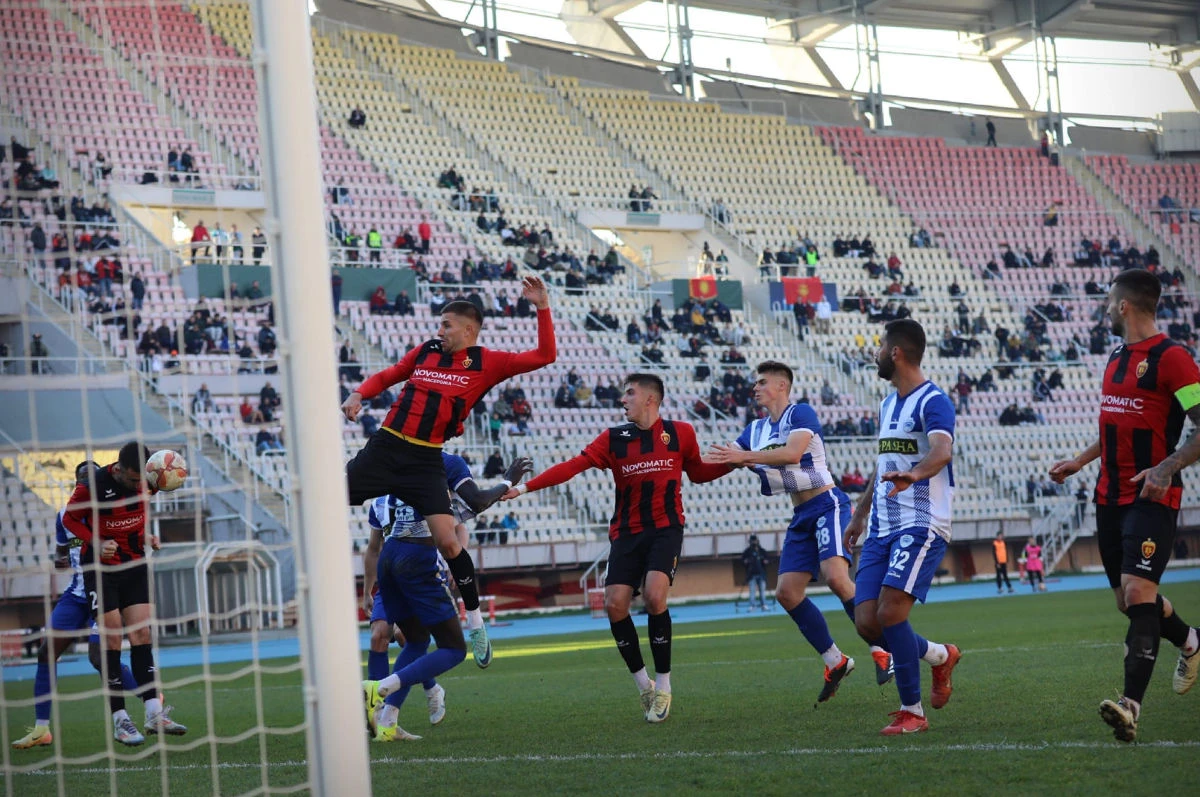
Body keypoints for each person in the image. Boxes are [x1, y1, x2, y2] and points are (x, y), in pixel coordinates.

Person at [342, 276, 555, 668]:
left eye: (446, 325)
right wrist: (359, 393)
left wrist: (542, 307)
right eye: (439, 325)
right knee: (332, 494)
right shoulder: (426, 352)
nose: (439, 331)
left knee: (450, 544)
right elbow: (390, 375)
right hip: (386, 447)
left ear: (469, 329)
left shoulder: (489, 362)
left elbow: (544, 356)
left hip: (426, 460)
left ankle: (474, 621)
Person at [501, 374, 731, 723]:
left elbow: (697, 472)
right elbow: (572, 467)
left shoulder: (681, 432)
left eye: (629, 393)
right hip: (626, 534)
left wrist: (736, 461)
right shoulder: (614, 439)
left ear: (650, 399)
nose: (623, 400)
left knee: (655, 597)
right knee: (614, 605)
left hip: (666, 529)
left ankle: (665, 687)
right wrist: (524, 489)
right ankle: (644, 686)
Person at [1048, 268, 1200, 742]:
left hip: (1151, 495)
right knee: (1129, 601)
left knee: (1138, 593)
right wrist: (1079, 459)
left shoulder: (1174, 358)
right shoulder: (1115, 356)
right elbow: (1114, 423)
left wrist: (1166, 469)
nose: (1105, 308)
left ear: (1124, 306)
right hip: (1107, 494)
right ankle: (1192, 641)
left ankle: (1131, 706)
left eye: (1109, 301)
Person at [709, 361, 890, 700]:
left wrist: (744, 457)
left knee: (835, 577)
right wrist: (680, 463)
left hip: (827, 504)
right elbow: (726, 459)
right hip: (801, 514)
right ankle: (835, 661)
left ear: (781, 386)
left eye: (762, 382)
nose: (755, 388)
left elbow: (792, 454)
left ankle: (883, 649)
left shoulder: (800, 414)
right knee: (787, 593)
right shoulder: (756, 429)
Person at [843, 319, 962, 736]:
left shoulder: (934, 400)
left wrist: (915, 475)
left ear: (895, 353)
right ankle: (938, 656)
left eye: (880, 346)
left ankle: (912, 712)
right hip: (880, 525)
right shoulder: (887, 404)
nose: (875, 352)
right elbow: (883, 468)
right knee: (867, 622)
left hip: (921, 521)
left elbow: (942, 451)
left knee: (891, 611)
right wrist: (859, 514)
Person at [361, 454, 531, 738]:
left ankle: (388, 722)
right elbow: (474, 504)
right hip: (417, 560)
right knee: (453, 648)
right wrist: (506, 482)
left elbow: (456, 524)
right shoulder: (443, 465)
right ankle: (378, 689)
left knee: (414, 640)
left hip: (393, 558)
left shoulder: (402, 466)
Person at [61, 442, 187, 745]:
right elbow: (69, 518)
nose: (138, 485)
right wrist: (96, 540)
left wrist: (146, 536)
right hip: (102, 568)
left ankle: (154, 715)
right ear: (118, 470)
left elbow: (137, 515)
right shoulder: (94, 485)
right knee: (113, 635)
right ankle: (120, 720)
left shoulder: (150, 480)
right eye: (132, 479)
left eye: (141, 479)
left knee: (142, 634)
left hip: (134, 562)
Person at [11, 463, 142, 750]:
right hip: (76, 594)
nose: (85, 480)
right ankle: (42, 729)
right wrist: (62, 558)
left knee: (99, 657)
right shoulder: (65, 514)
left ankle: (146, 699)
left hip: (105, 591)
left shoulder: (113, 510)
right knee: (47, 651)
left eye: (90, 476)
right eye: (81, 477)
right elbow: (61, 550)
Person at [741, 535, 769, 611]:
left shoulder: (762, 551)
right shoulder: (747, 552)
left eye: (755, 540)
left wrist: (765, 561)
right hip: (751, 575)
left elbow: (767, 560)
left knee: (762, 592)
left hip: (761, 574)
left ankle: (763, 605)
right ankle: (752, 606)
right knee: (752, 592)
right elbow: (743, 561)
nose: (754, 542)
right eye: (752, 540)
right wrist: (746, 561)